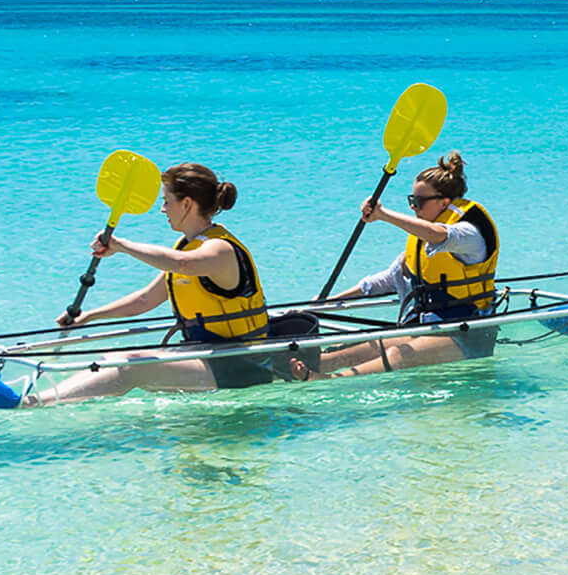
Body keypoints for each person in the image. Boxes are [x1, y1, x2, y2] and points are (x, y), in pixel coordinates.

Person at [31, 161, 298, 404]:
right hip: (212, 357)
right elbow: (145, 299)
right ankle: (39, 399)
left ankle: (33, 403)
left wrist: (121, 245)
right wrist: (90, 316)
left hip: (244, 366)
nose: (162, 209)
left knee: (130, 365)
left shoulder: (219, 249)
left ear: (187, 204)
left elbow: (182, 264)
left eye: (167, 201)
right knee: (113, 359)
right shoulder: (186, 246)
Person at [298, 151, 500, 379]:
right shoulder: (422, 236)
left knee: (398, 354)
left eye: (419, 202)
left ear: (444, 202)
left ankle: (329, 381)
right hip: (427, 329)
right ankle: (289, 371)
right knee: (352, 351)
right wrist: (329, 302)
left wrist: (383, 215)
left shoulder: (468, 233)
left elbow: (439, 235)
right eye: (411, 200)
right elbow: (387, 279)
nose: (413, 207)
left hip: (467, 336)